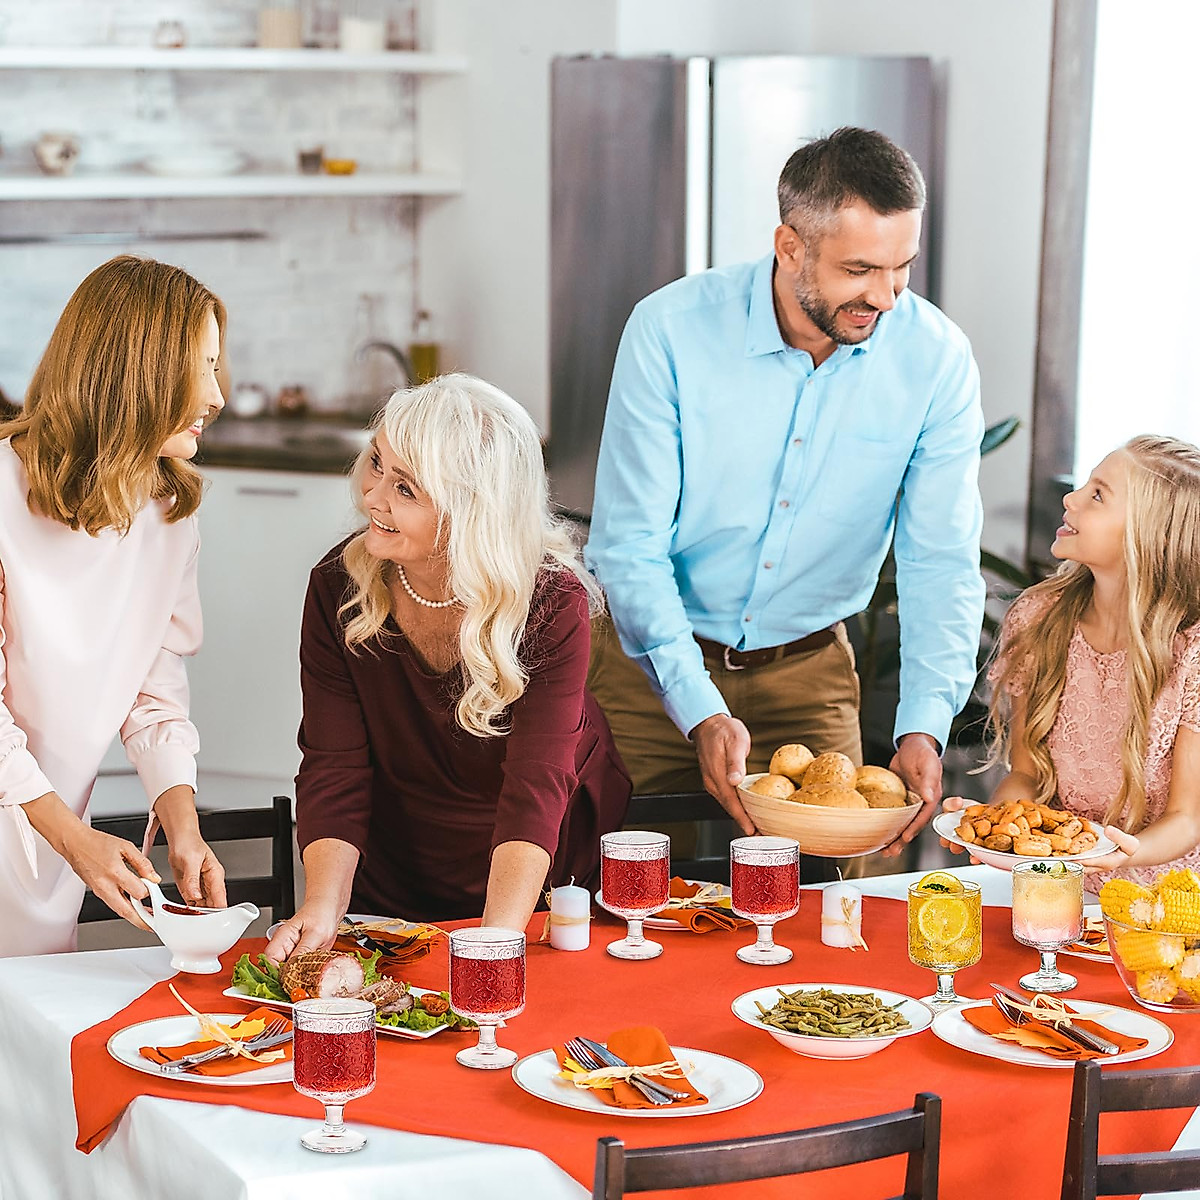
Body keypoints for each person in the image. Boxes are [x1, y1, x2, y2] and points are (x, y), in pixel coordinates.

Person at [585, 126, 986, 865]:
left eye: (901, 268)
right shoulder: (670, 330)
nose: (885, 297)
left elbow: (941, 562)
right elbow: (628, 546)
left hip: (810, 675)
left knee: (843, 913)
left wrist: (923, 726)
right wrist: (699, 707)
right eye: (859, 269)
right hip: (649, 675)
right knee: (610, 892)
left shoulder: (935, 361)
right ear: (790, 245)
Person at [265, 374, 630, 961]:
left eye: (406, 489)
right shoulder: (337, 585)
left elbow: (535, 784)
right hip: (397, 846)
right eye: (376, 464)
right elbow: (335, 765)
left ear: (472, 511)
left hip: (530, 867)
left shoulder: (551, 601)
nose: (372, 498)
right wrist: (322, 907)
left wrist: (497, 944)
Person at [0, 255, 229, 956]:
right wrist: (74, 841)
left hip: (51, 838)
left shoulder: (168, 517)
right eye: (202, 366)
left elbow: (153, 694)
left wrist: (182, 824)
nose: (217, 395)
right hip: (42, 821)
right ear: (136, 371)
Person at [952, 435, 1200, 886]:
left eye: (1098, 495)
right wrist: (997, 823)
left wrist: (1124, 854)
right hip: (1056, 890)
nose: (1071, 498)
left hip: (1164, 903)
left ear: (1149, 535)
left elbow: (1187, 819)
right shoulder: (1037, 619)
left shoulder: (1192, 653)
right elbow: (1026, 773)